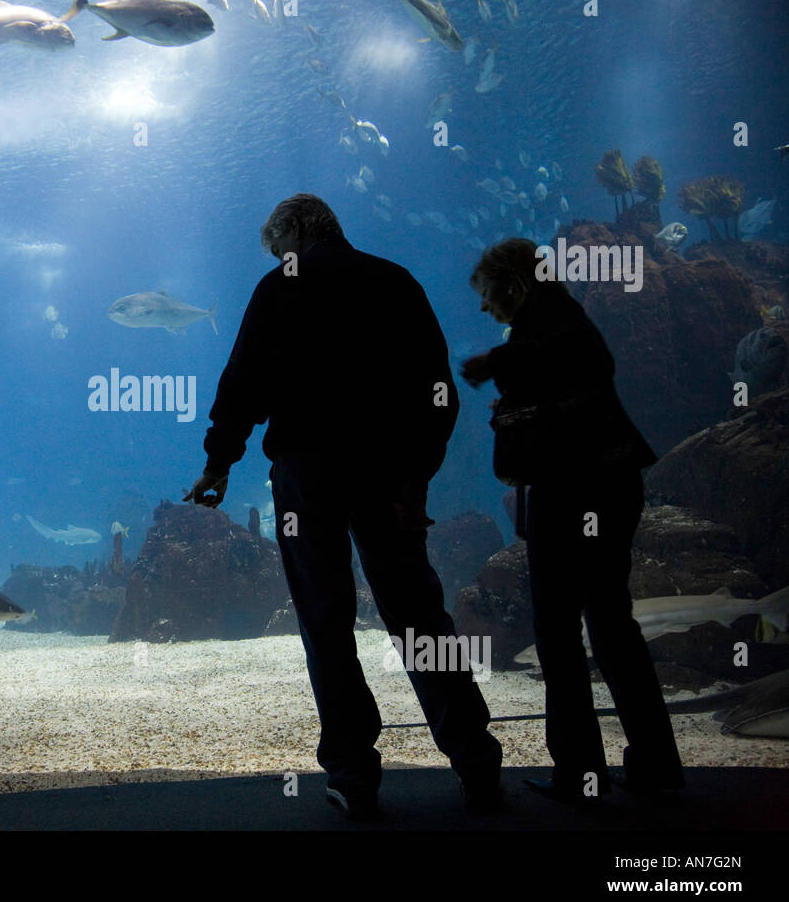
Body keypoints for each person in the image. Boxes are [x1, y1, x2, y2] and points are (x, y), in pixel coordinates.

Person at [185, 194, 503, 819]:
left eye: (279, 248)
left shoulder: (279, 289)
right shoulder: (394, 281)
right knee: (419, 616)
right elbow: (438, 390)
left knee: (325, 621)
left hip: (307, 473)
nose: (280, 259)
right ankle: (476, 761)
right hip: (388, 471)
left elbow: (242, 382)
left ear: (295, 232)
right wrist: (418, 476)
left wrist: (220, 462)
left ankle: (355, 775)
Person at [460, 238, 684, 804]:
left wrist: (497, 363)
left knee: (559, 630)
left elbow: (584, 356)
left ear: (514, 282)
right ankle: (654, 764)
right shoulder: (550, 319)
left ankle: (579, 774)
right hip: (602, 483)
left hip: (578, 489)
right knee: (610, 623)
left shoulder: (554, 316)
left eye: (489, 295)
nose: (486, 308)